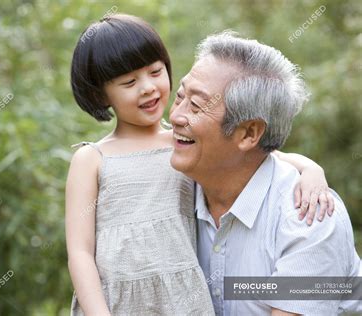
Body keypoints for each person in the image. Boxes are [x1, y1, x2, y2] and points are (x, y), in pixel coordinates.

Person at [66, 15, 334, 315]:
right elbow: (79, 251)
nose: (148, 88)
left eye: (155, 72)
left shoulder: (182, 146)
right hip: (117, 300)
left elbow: (267, 155)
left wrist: (311, 170)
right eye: (129, 82)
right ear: (101, 94)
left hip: (182, 299)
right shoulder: (93, 158)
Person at [169, 31, 361, 315]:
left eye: (196, 106)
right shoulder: (171, 185)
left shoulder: (310, 219)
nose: (175, 117)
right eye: (180, 96)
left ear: (249, 134)